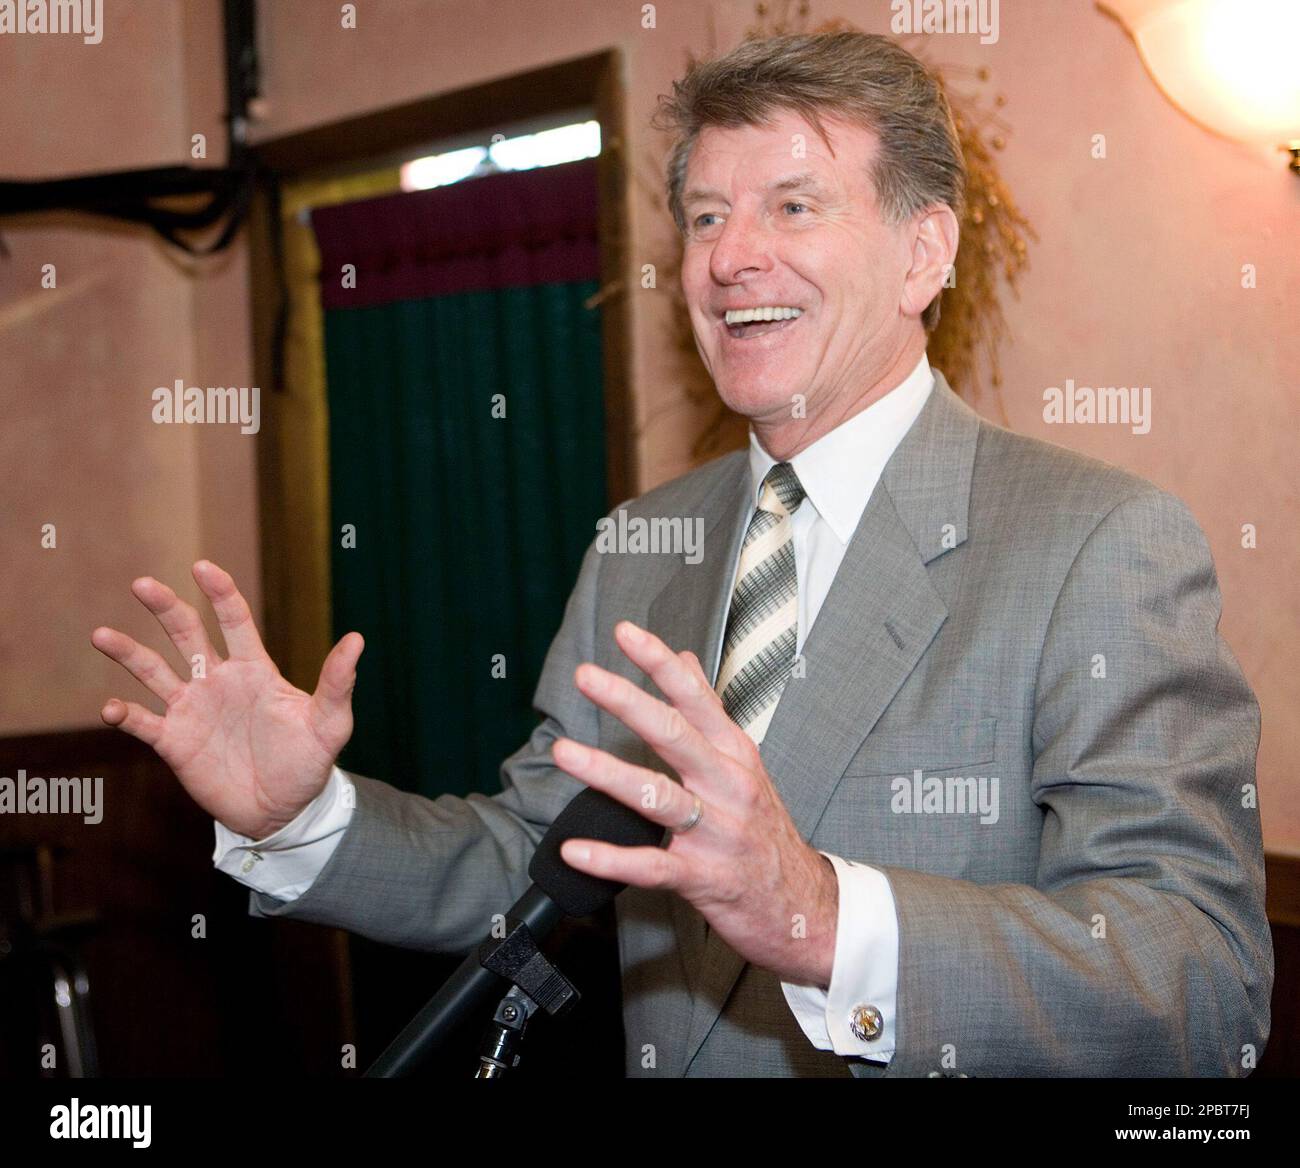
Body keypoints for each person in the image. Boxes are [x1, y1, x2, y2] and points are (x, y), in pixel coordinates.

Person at [92, 31, 1272, 1077]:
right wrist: (305, 819)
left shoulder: (1097, 542)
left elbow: (1200, 983)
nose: (728, 258)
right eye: (707, 216)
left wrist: (824, 919)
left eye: (793, 207)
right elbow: (533, 857)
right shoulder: (640, 545)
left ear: (924, 255)